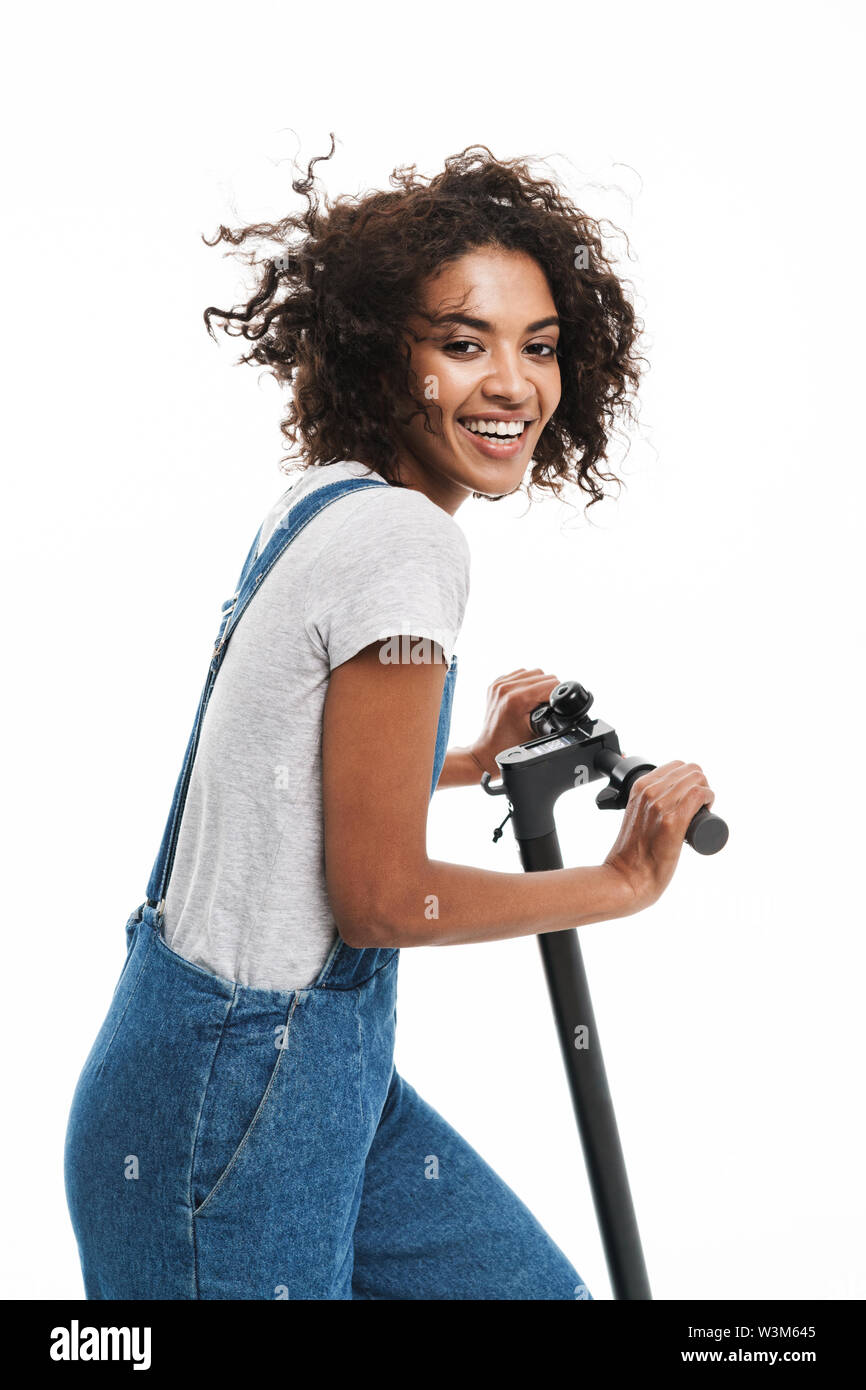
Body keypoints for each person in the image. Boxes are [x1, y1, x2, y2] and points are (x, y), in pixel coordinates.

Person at [64, 142, 715, 1300]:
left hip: (289, 1088)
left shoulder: (323, 501)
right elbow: (379, 897)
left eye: (539, 345)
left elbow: (282, 774)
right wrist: (615, 886)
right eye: (461, 344)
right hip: (232, 1117)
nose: (512, 383)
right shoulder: (411, 544)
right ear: (383, 357)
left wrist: (467, 762)